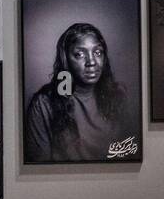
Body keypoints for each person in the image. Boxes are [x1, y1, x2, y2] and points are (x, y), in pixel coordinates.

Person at [26, 22, 134, 161]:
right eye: (80, 54)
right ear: (66, 60)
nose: (91, 62)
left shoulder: (119, 95)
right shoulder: (44, 103)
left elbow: (129, 154)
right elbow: (39, 167)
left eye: (97, 52)